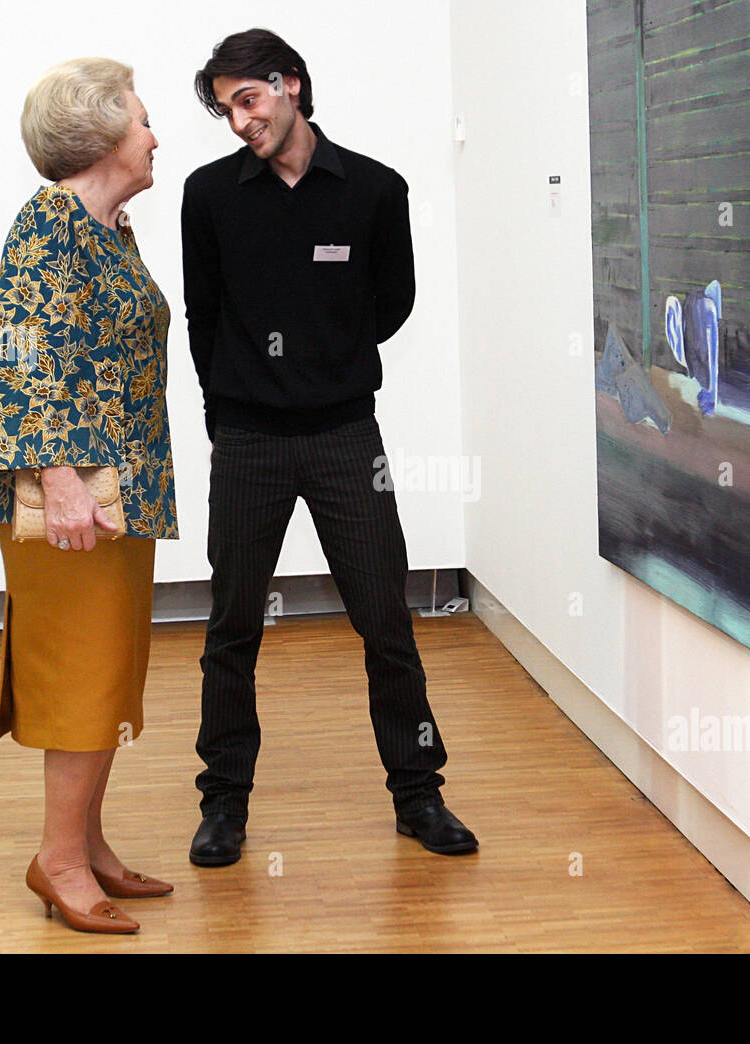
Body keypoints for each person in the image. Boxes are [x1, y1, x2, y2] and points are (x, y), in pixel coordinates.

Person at [181, 27, 477, 866]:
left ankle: (419, 796)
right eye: (225, 107)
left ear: (292, 86)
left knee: (386, 620)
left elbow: (395, 300)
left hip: (348, 434)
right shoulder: (209, 197)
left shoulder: (376, 190)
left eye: (250, 99)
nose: (240, 120)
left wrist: (328, 360)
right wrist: (227, 410)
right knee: (232, 627)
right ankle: (224, 804)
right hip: (247, 441)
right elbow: (205, 320)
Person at [0, 57, 178, 933]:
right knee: (80, 673)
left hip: (121, 488)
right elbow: (21, 353)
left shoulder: (108, 229)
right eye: (144, 119)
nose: (156, 134)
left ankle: (86, 846)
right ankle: (56, 861)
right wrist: (56, 480)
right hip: (75, 490)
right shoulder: (47, 223)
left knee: (110, 669)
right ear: (100, 135)